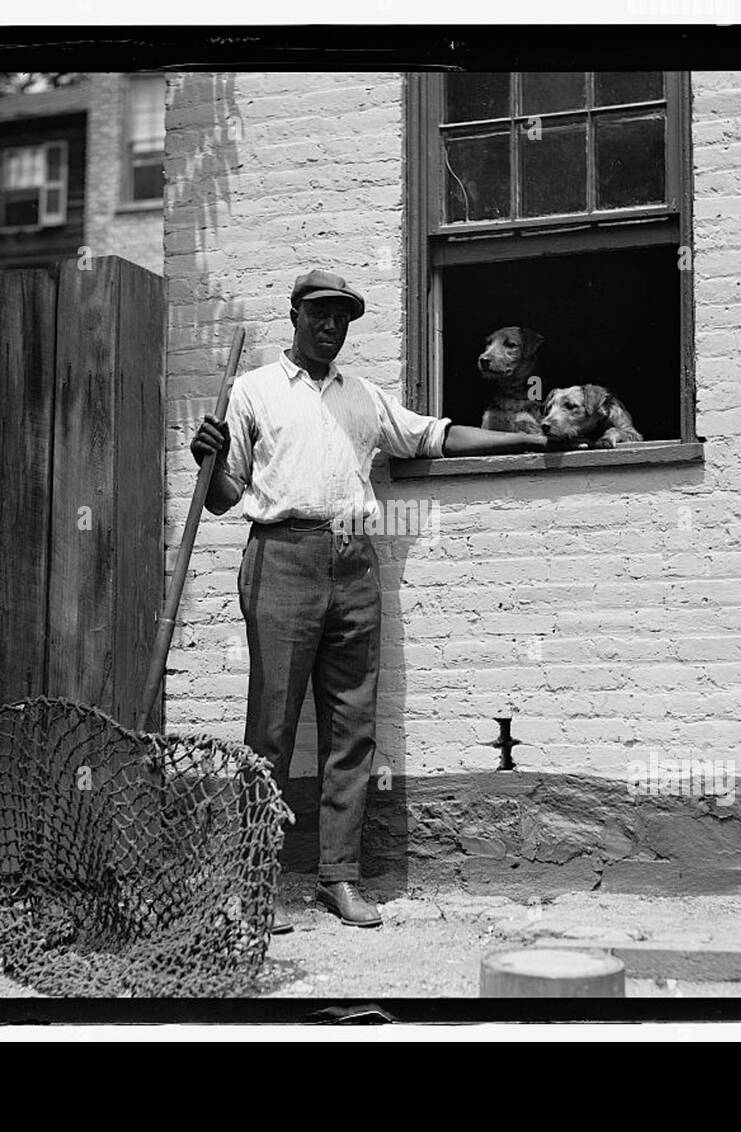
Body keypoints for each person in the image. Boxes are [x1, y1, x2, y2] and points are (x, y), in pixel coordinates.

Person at [191, 268, 550, 929]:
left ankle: (339, 879)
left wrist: (521, 437)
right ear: (295, 313)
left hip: (356, 562)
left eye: (344, 318)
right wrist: (204, 457)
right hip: (281, 558)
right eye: (320, 313)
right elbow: (222, 498)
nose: (332, 326)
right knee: (270, 728)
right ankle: (251, 885)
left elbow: (432, 435)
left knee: (352, 728)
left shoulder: (362, 398)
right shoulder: (253, 392)